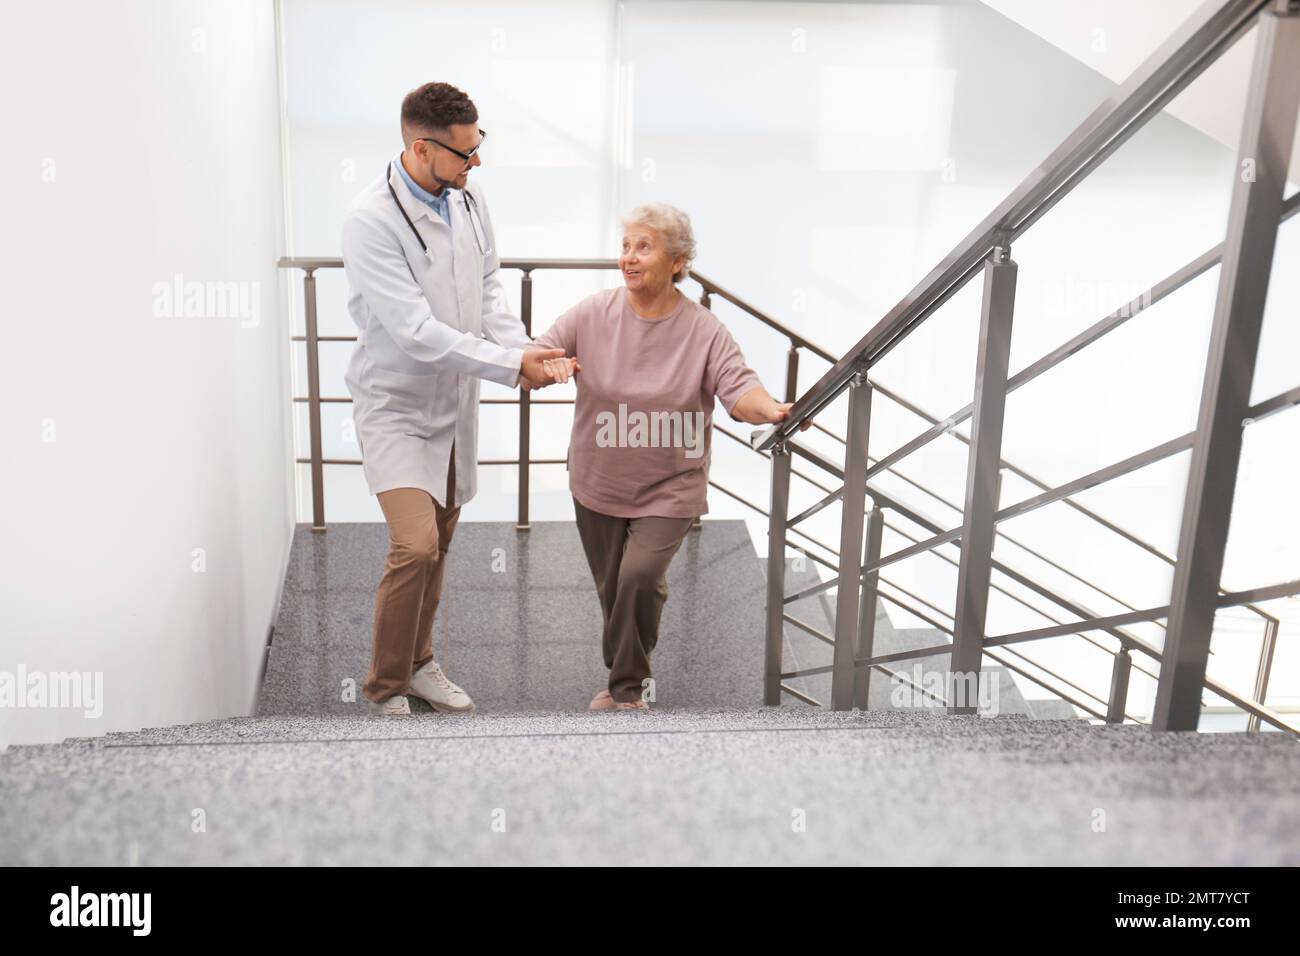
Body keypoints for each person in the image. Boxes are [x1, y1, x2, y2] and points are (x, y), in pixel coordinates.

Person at [340, 82, 577, 717]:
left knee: (439, 545)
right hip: (395, 404)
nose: (477, 162)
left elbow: (488, 288)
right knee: (414, 545)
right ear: (421, 148)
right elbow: (416, 333)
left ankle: (419, 665)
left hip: (456, 398)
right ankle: (385, 685)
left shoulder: (468, 199)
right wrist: (511, 366)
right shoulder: (370, 221)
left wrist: (526, 350)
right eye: (465, 153)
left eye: (479, 146)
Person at [533, 203, 803, 711]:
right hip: (598, 479)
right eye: (626, 247)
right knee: (614, 588)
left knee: (638, 578)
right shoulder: (593, 313)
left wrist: (772, 410)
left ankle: (626, 688)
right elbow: (538, 354)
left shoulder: (704, 331)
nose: (629, 258)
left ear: (678, 262)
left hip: (672, 485)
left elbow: (740, 389)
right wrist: (549, 366)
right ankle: (626, 661)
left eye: (644, 247)